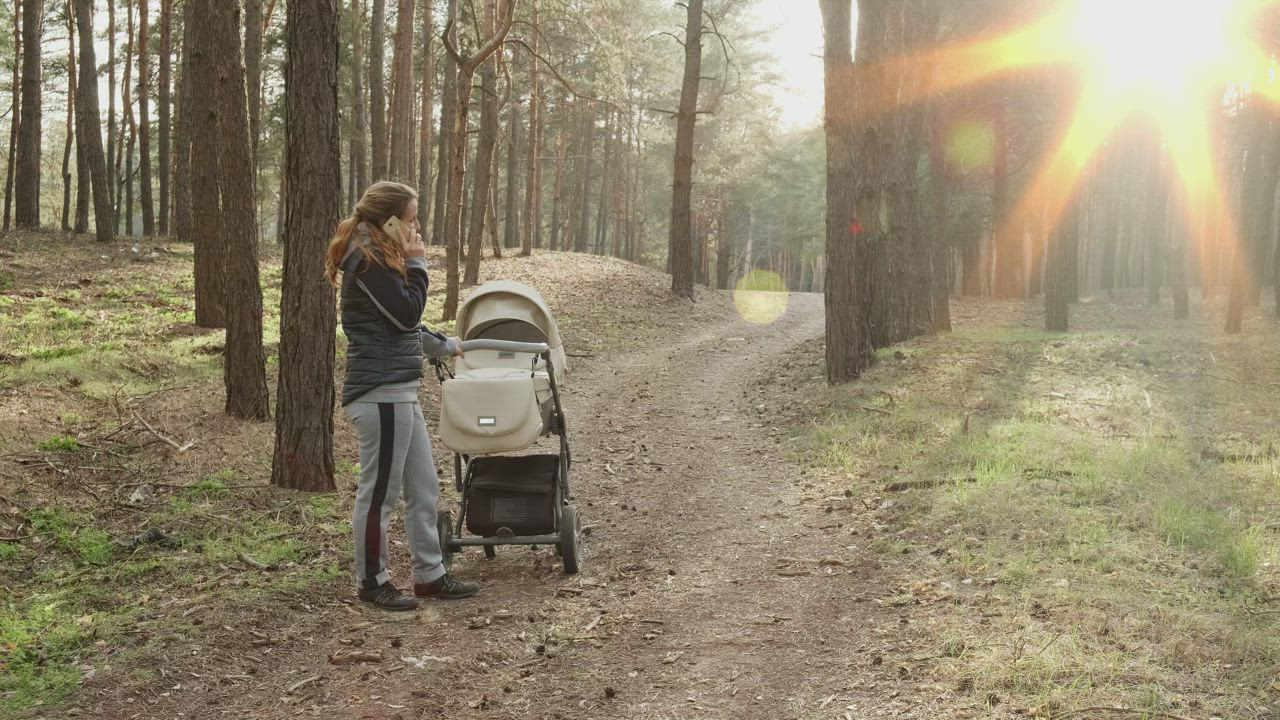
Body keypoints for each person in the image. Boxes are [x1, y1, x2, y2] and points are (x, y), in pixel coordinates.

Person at [325, 180, 480, 610]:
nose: (416, 228)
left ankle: (430, 575)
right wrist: (419, 264)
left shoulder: (381, 256)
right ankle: (372, 582)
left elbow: (403, 325)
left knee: (424, 487)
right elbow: (406, 311)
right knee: (379, 494)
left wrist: (443, 343)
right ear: (388, 220)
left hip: (400, 389)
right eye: (410, 219)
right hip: (381, 392)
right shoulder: (367, 259)